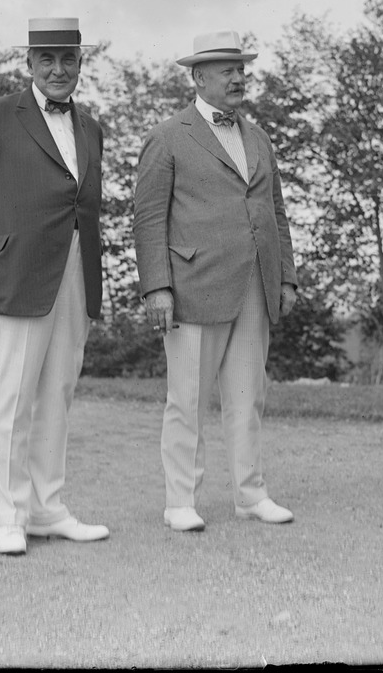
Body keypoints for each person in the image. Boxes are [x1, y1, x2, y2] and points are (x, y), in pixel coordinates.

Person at [0, 17, 109, 555]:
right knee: (14, 397)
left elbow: (82, 204)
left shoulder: (90, 128)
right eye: (47, 60)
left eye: (69, 60)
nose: (58, 70)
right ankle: (10, 516)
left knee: (58, 393)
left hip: (74, 274)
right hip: (17, 276)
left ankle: (48, 509)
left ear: (82, 63)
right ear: (30, 64)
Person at [133, 30, 299, 532]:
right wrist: (156, 287)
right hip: (192, 286)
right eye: (227, 69)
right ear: (198, 78)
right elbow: (147, 218)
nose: (237, 77)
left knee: (248, 396)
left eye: (241, 68)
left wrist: (286, 278)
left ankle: (251, 495)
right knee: (187, 397)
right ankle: (180, 501)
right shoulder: (167, 136)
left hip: (254, 283)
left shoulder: (258, 137)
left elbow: (275, 211)